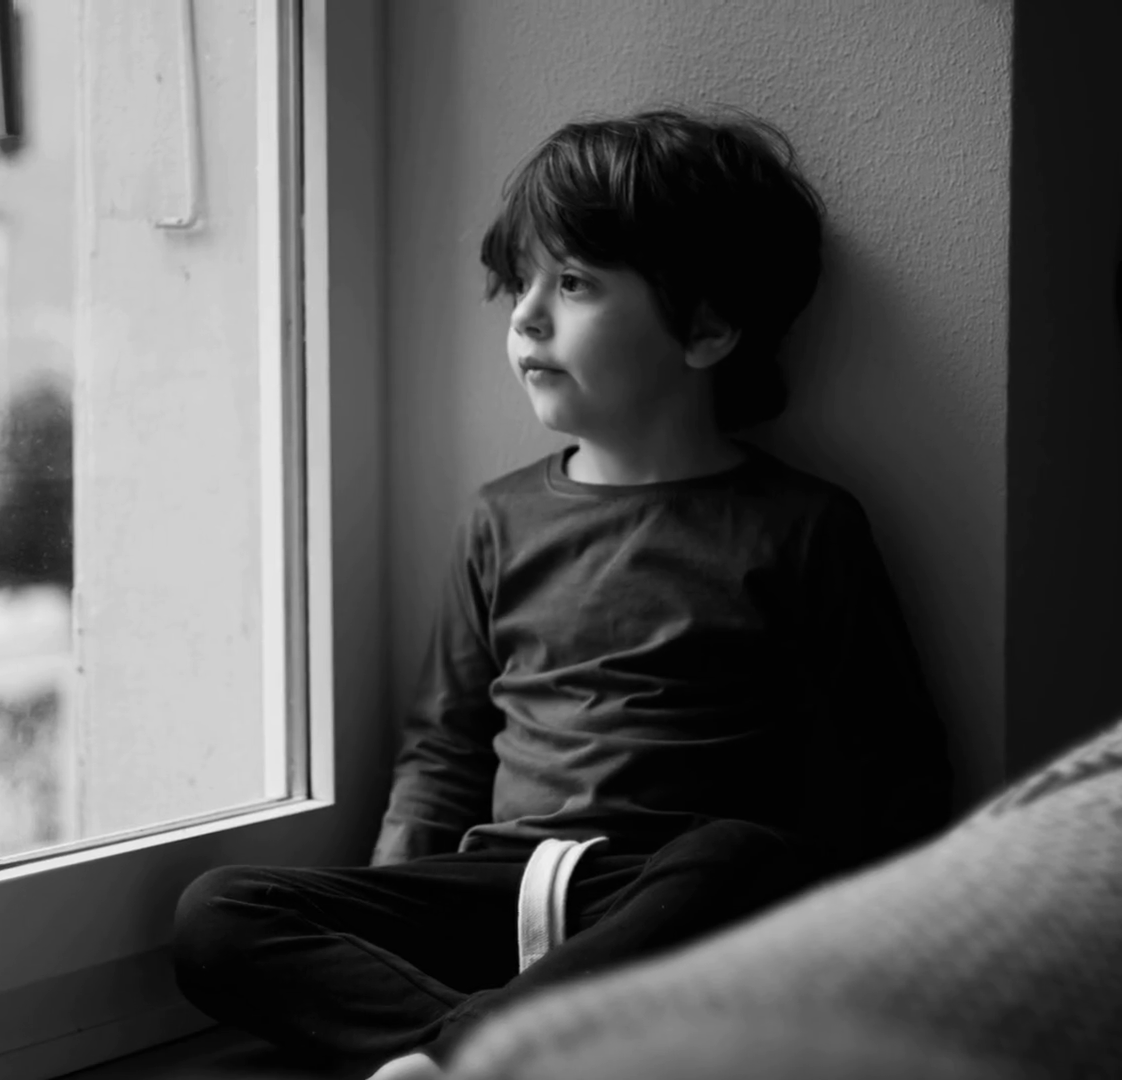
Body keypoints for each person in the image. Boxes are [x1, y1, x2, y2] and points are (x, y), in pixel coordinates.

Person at [170, 105, 953, 1080]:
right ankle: (499, 1053)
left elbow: (893, 770)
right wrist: (401, 895)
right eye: (521, 283)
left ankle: (470, 1055)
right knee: (218, 914)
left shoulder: (803, 527)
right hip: (500, 885)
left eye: (574, 283)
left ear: (706, 327)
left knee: (751, 857)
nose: (527, 317)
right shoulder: (499, 519)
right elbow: (445, 746)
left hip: (669, 902)